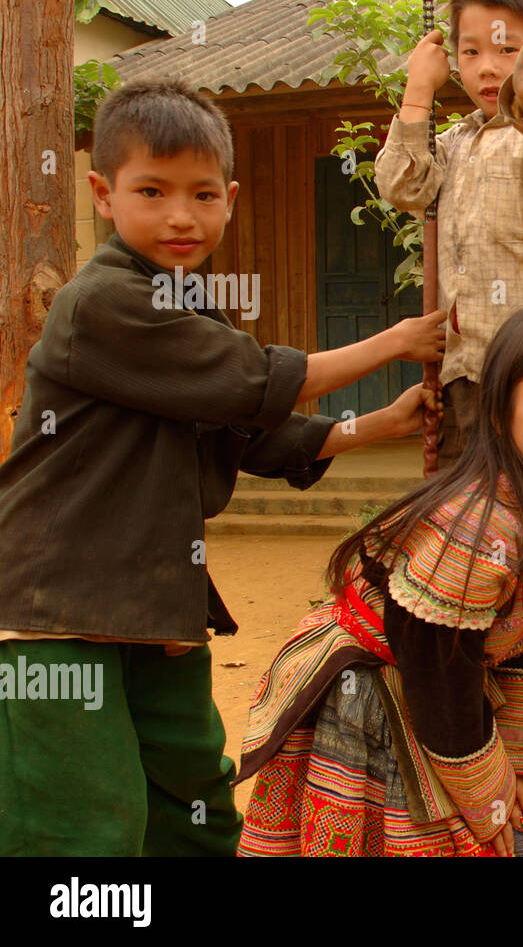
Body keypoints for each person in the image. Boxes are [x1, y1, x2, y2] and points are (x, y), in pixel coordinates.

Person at [0, 79, 444, 856]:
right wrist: (394, 342)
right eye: (152, 191)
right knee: (82, 823)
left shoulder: (190, 306)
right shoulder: (100, 301)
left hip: (156, 607)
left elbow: (252, 435)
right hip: (57, 608)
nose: (181, 215)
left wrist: (379, 424)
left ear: (230, 199)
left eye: (203, 194)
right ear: (103, 195)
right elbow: (247, 380)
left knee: (194, 803)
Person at [236, 304, 523, 856]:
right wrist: (489, 795)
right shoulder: (476, 528)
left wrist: (518, 765)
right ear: (500, 414)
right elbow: (438, 673)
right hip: (380, 696)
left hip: (449, 700)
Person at [376, 0, 523, 797]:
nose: (487, 69)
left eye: (507, 50)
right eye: (470, 52)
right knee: (470, 568)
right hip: (472, 387)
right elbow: (401, 183)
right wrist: (417, 89)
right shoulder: (456, 144)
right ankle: (476, 745)